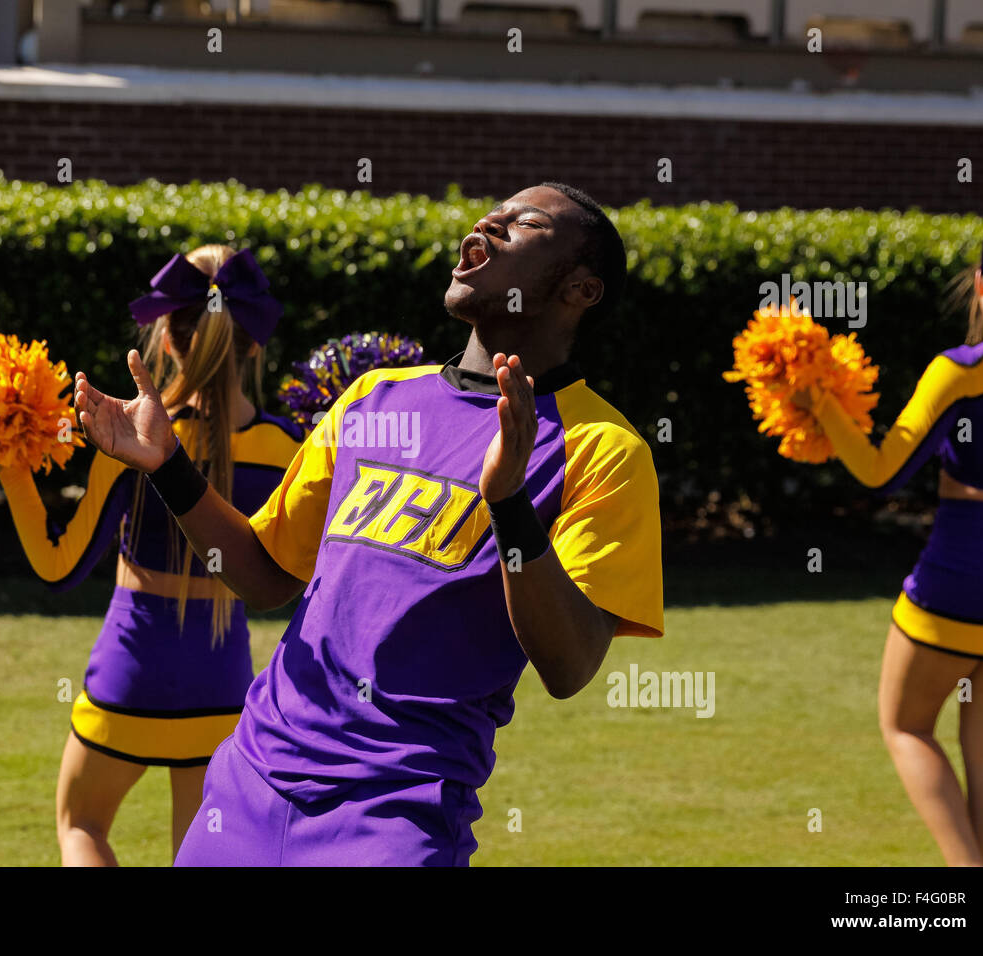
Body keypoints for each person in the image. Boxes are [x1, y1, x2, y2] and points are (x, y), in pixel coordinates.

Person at [74, 183, 665, 866]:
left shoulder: (604, 448)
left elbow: (569, 665)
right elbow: (266, 576)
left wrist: (508, 505)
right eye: (490, 215)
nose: (489, 224)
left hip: (394, 812)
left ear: (580, 290)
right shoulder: (375, 398)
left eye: (524, 224)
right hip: (248, 785)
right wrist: (169, 466)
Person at [0, 245, 303, 865]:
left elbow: (59, 568)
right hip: (221, 687)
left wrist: (11, 469)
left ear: (166, 337)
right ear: (254, 344)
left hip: (127, 674)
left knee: (81, 826)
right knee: (197, 856)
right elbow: (294, 577)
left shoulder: (135, 438)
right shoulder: (286, 447)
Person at [793, 221, 983, 866]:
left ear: (980, 286)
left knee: (908, 727)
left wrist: (823, 400)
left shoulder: (963, 371)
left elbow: (880, 471)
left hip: (956, 581)